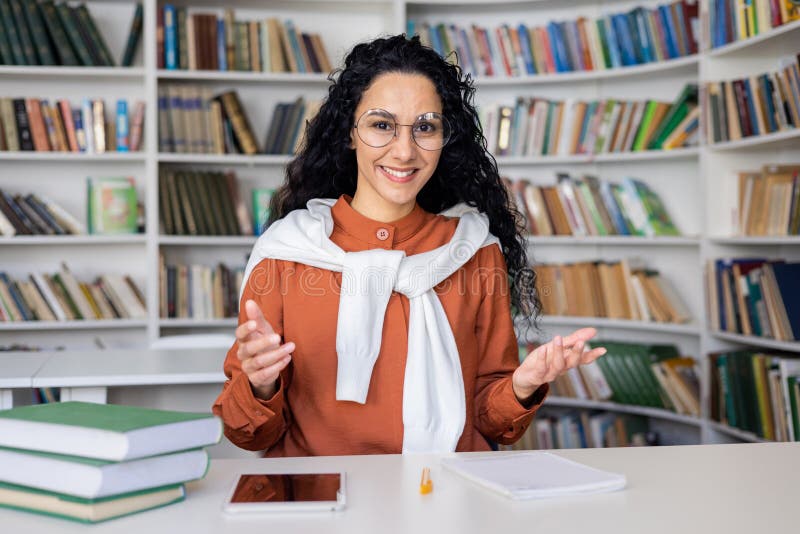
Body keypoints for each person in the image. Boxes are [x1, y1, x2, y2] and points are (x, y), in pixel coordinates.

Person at [212, 34, 605, 457]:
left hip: (446, 497)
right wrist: (259, 383)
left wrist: (522, 386)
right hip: (325, 505)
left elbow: (493, 424)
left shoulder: (473, 251)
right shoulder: (286, 251)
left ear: (443, 137)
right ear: (350, 133)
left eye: (425, 127)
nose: (404, 151)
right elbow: (246, 432)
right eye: (381, 125)